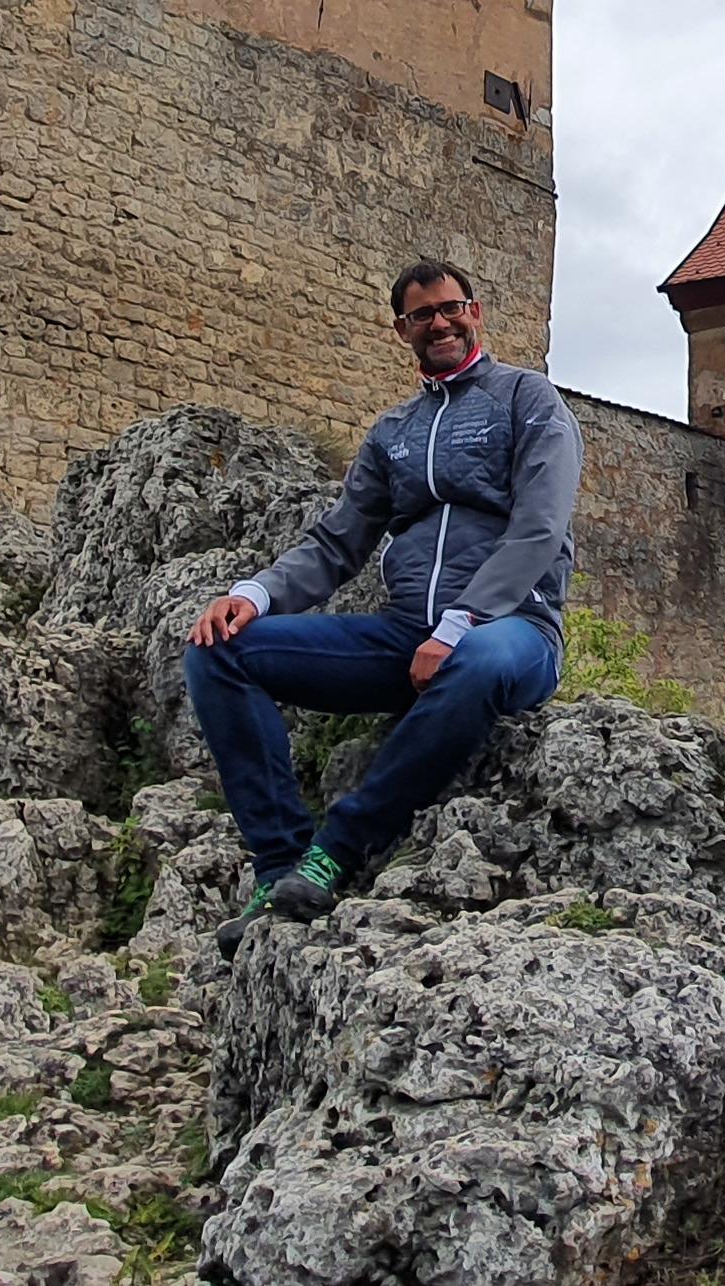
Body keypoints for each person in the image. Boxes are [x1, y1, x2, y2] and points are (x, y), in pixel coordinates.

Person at [183, 258, 581, 952]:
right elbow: (338, 543)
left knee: (480, 660)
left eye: (451, 308)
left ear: (476, 312)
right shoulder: (393, 432)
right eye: (422, 315)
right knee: (219, 650)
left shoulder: (528, 400)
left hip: (512, 629)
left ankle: (338, 847)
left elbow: (540, 529)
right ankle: (280, 866)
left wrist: (462, 620)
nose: (440, 323)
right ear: (402, 331)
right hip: (403, 636)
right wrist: (251, 594)